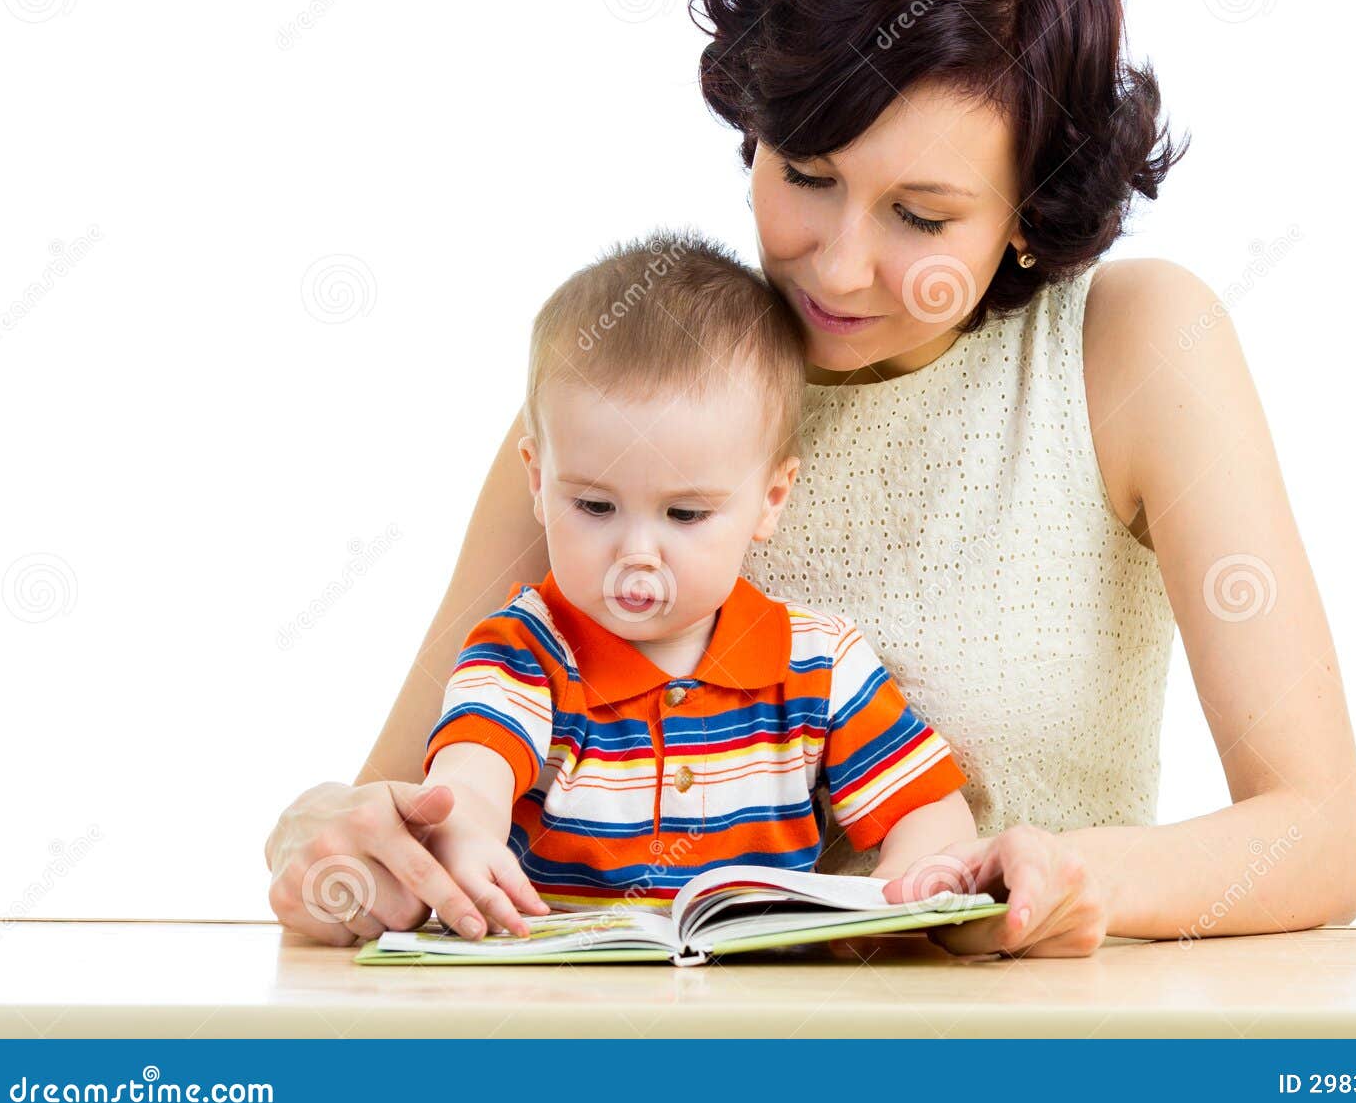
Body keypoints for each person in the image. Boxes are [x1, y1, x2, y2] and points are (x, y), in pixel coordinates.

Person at [267, 0, 1356, 956]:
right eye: (806, 176)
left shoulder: (1129, 349)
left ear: (1031, 213)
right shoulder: (636, 383)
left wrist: (1087, 878)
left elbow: (1320, 835)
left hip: (1012, 1047)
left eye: (922, 217)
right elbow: (405, 796)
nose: (837, 268)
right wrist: (327, 834)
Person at [415, 232, 974, 940]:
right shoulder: (524, 652)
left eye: (684, 514)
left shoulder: (818, 663)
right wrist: (465, 834)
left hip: (760, 1001)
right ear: (537, 479)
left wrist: (911, 880)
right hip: (560, 992)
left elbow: (928, 809)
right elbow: (473, 770)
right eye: (593, 506)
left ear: (770, 500)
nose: (637, 551)